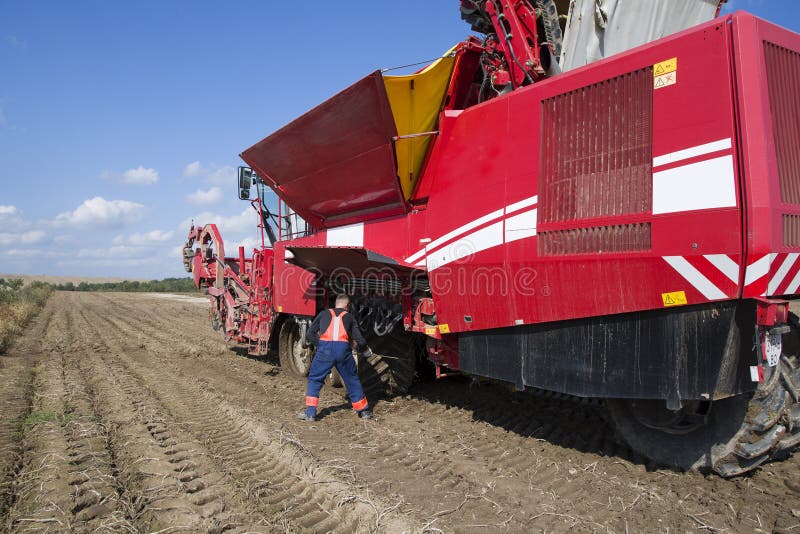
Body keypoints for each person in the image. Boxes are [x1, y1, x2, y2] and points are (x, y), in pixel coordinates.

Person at [297, 294, 374, 421]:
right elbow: (359, 339)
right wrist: (366, 350)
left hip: (324, 350)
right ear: (347, 306)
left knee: (315, 379)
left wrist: (320, 345)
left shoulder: (323, 314)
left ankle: (310, 414)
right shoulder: (349, 317)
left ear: (336, 304)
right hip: (343, 351)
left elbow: (310, 333)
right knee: (352, 379)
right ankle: (364, 411)